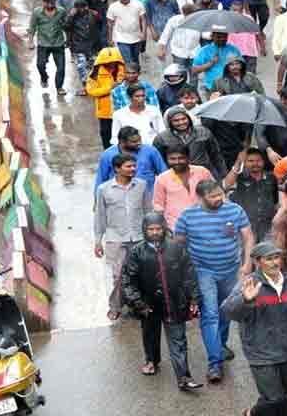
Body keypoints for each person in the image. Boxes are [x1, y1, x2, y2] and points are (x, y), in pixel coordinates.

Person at [222, 242, 287, 416]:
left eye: (277, 257)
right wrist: (246, 300)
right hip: (261, 353)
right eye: (269, 259)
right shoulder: (249, 283)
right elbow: (228, 311)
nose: (274, 263)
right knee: (274, 399)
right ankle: (252, 413)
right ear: (258, 262)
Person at [175, 180, 255, 383]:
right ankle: (214, 363)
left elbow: (248, 237)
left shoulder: (235, 210)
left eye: (220, 194)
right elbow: (178, 245)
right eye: (213, 196)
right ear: (200, 197)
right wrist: (184, 275)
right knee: (210, 314)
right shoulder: (187, 216)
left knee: (226, 310)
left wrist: (247, 264)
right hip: (203, 271)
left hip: (231, 270)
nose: (219, 199)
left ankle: (221, 344)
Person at [120, 212, 203, 390]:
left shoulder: (176, 248)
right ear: (144, 230)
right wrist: (138, 303)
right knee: (150, 335)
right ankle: (152, 360)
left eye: (158, 228)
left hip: (174, 303)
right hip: (148, 304)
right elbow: (127, 281)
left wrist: (194, 297)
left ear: (164, 228)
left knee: (178, 340)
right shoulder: (136, 252)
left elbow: (189, 274)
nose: (155, 232)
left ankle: (184, 376)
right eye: (151, 229)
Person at [95, 153, 150, 320]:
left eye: (134, 166)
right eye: (128, 166)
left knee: (141, 274)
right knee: (119, 275)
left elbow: (148, 210)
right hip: (116, 238)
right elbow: (100, 216)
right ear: (117, 169)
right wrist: (98, 241)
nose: (133, 169)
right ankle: (115, 306)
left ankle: (138, 305)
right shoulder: (103, 189)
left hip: (139, 237)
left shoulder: (141, 185)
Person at [154, 106, 228, 180]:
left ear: (189, 118)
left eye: (183, 119)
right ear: (170, 122)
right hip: (178, 177)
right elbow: (160, 162)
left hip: (204, 175)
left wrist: (223, 175)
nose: (181, 122)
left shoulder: (203, 132)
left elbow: (216, 155)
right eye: (176, 120)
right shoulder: (162, 138)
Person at [225, 148, 280, 243]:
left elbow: (276, 201)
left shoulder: (271, 178)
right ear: (245, 162)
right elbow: (226, 185)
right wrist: (238, 163)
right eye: (250, 161)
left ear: (263, 162)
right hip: (246, 228)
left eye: (258, 160)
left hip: (268, 228)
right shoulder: (239, 178)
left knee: (267, 251)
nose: (255, 164)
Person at [153, 144, 214, 229]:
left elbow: (215, 193)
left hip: (206, 223)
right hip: (177, 227)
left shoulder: (202, 172)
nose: (177, 162)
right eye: (172, 159)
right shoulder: (162, 179)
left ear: (188, 158)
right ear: (167, 160)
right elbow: (158, 206)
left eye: (181, 158)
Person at [87, 48, 128, 149]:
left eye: (114, 61)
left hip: (121, 108)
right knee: (106, 133)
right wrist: (110, 88)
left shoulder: (123, 71)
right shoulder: (95, 74)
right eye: (108, 62)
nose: (111, 64)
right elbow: (91, 91)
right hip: (104, 112)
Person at [27, 0, 67, 95]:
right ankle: (44, 78)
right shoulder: (37, 12)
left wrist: (68, 39)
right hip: (43, 43)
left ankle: (59, 87)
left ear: (55, 2)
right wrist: (30, 42)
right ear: (43, 3)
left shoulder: (61, 11)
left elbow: (66, 25)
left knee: (61, 67)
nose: (50, 5)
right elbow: (32, 27)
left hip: (58, 43)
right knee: (40, 65)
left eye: (52, 3)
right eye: (47, 3)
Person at [192, 30, 242, 97]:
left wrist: (234, 64)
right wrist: (211, 63)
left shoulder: (233, 49)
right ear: (212, 36)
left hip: (231, 87)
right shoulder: (204, 50)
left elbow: (242, 66)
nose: (222, 39)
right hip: (211, 88)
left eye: (225, 37)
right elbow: (194, 70)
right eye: (219, 37)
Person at [64, 0, 99, 91]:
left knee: (93, 66)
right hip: (78, 45)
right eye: (78, 8)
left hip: (91, 45)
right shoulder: (72, 17)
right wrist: (70, 16)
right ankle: (85, 85)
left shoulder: (92, 15)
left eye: (83, 7)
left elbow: (99, 26)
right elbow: (66, 27)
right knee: (81, 66)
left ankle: (93, 83)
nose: (81, 10)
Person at [107, 0, 147, 68]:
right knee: (128, 61)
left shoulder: (138, 4)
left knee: (135, 59)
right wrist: (110, 38)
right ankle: (129, 74)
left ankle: (136, 74)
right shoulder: (113, 7)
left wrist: (144, 33)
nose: (124, 1)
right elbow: (110, 23)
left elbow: (143, 20)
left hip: (136, 37)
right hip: (121, 38)